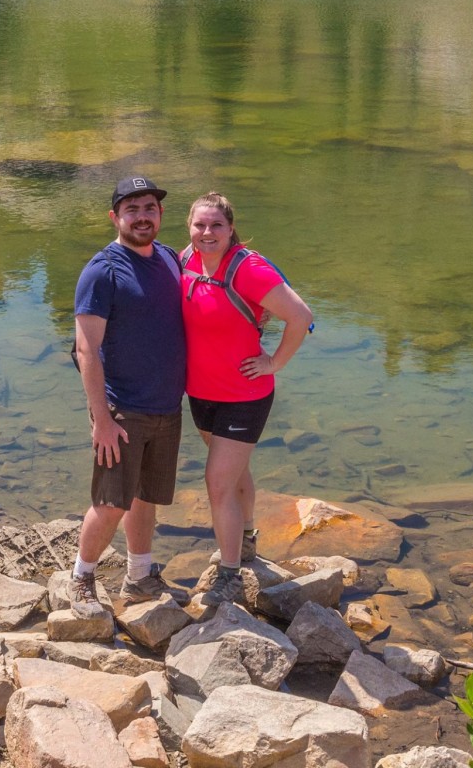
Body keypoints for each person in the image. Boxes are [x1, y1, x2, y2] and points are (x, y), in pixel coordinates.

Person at [181, 192, 313, 607]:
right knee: (234, 474)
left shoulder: (248, 269)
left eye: (216, 225)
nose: (207, 233)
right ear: (189, 226)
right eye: (200, 225)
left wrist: (274, 362)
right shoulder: (186, 260)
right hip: (201, 392)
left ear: (230, 228)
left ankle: (231, 573)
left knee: (217, 483)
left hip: (245, 393)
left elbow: (301, 316)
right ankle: (250, 536)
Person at [69, 176, 189, 617]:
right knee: (111, 500)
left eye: (150, 208)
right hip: (122, 409)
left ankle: (139, 576)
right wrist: (101, 419)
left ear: (160, 215)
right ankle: (81, 577)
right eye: (132, 209)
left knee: (145, 497)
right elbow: (86, 349)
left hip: (166, 405)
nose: (142, 216)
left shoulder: (170, 259)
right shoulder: (103, 269)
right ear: (115, 216)